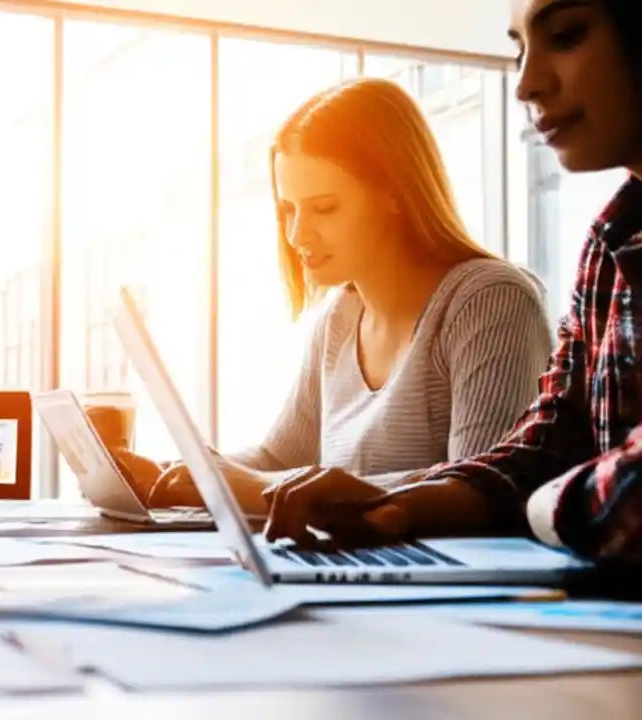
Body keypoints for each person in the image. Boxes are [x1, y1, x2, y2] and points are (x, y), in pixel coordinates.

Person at [258, 0, 642, 564]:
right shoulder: (608, 249)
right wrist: (400, 507)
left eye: (567, 35)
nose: (525, 85)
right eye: (518, 49)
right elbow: (537, 452)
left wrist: (540, 502)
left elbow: (615, 494)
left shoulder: (488, 297)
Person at [115, 77, 553, 517]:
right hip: (352, 574)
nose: (296, 234)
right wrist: (177, 475)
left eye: (324, 208)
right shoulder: (341, 317)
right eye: (289, 209)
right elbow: (278, 461)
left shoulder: (490, 301)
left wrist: (259, 490)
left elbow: (480, 488)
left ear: (396, 195)